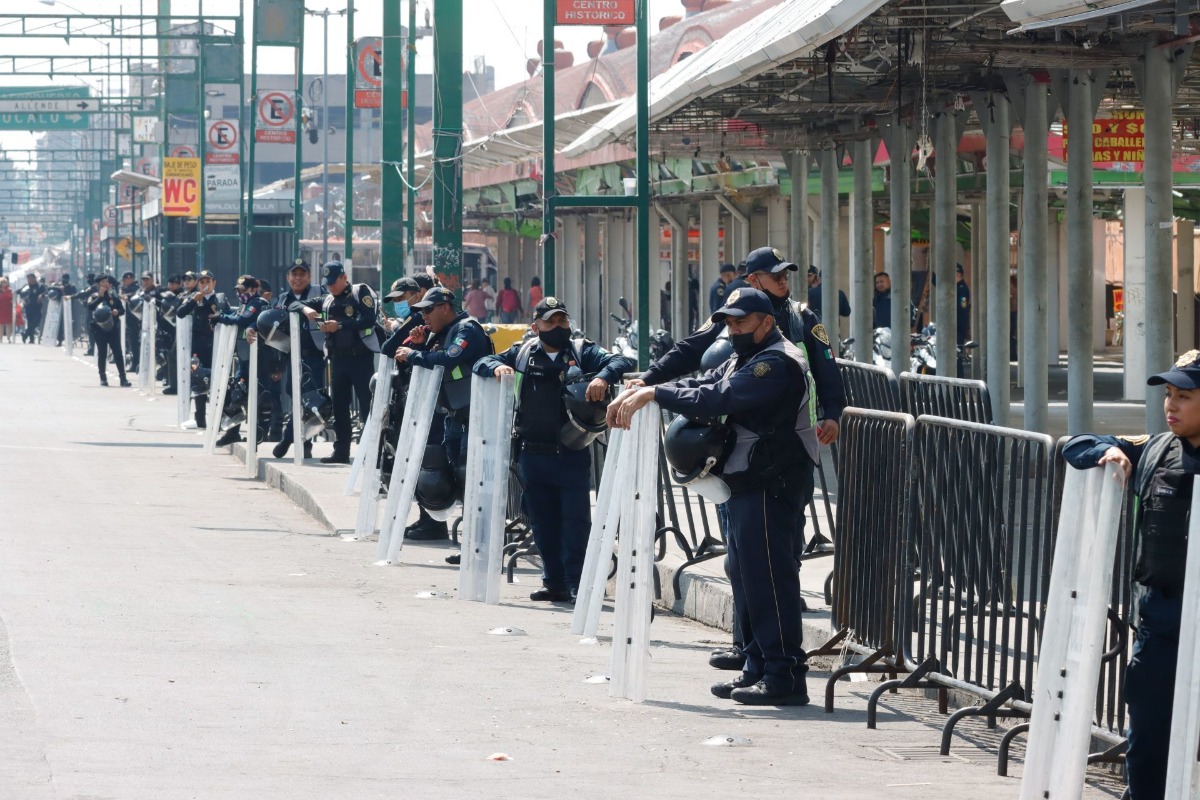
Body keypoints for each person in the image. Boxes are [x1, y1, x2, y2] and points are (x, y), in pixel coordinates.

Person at [634, 246, 846, 673]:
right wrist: (650, 380)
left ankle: (778, 665)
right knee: (742, 561)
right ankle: (751, 653)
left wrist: (832, 414)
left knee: (772, 564)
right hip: (737, 465)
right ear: (753, 280)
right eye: (774, 275)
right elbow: (694, 355)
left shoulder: (793, 327)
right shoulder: (737, 321)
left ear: (764, 321)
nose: (784, 280)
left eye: (786, 274)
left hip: (774, 466)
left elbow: (825, 367)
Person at [609, 288, 815, 705]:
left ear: (766, 323)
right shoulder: (747, 356)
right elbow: (706, 381)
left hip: (771, 481)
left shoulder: (776, 361)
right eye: (730, 323)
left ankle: (785, 677)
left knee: (770, 580)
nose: (733, 329)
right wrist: (652, 383)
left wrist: (654, 394)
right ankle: (757, 666)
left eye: (742, 322)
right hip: (748, 479)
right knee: (747, 575)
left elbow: (719, 397)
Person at [1063, 349, 1200, 800]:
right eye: (1169, 395)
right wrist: (1111, 452)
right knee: (1147, 747)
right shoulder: (1159, 448)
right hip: (1162, 622)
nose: (1171, 406)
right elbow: (1076, 445)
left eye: (1184, 396)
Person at [476, 296, 633, 602]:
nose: (559, 326)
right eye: (551, 321)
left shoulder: (581, 351)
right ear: (536, 327)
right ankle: (555, 583)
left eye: (562, 320)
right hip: (532, 454)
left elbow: (622, 361)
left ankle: (580, 584)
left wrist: (603, 376)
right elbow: (483, 361)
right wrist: (497, 368)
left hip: (570, 454)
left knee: (575, 524)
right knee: (542, 524)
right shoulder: (522, 354)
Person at [393, 286, 494, 540]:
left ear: (445, 308)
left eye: (428, 310)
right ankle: (467, 539)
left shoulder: (466, 329)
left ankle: (477, 541)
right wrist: (420, 347)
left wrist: (415, 354)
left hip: (476, 417)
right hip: (455, 416)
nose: (423, 317)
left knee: (472, 479)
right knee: (459, 480)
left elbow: (449, 359)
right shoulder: (444, 332)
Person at [297, 262, 379, 465]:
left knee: (367, 405)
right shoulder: (327, 300)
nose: (330, 288)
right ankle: (341, 451)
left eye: (334, 283)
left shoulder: (361, 292)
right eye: (327, 284)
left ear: (344, 277)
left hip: (360, 358)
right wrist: (306, 309)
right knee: (340, 407)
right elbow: (293, 304)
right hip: (338, 359)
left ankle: (373, 452)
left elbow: (369, 319)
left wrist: (340, 325)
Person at [271, 259, 328, 460]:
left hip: (315, 357)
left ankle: (296, 440)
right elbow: (274, 331)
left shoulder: (321, 293)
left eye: (302, 274)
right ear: (288, 278)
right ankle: (296, 438)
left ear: (309, 276)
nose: (298, 278)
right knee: (296, 398)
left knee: (310, 400)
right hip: (291, 357)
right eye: (294, 274)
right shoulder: (281, 300)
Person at [213, 276, 271, 448]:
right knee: (236, 395)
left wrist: (221, 317)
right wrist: (221, 315)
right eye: (238, 290)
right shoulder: (246, 305)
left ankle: (260, 434)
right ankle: (232, 433)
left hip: (260, 358)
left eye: (243, 290)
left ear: (253, 289)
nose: (240, 294)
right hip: (245, 359)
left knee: (260, 399)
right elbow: (235, 314)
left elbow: (242, 320)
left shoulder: (258, 303)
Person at [176, 270, 231, 429]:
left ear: (214, 283)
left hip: (215, 344)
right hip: (198, 346)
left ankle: (219, 418)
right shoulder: (193, 298)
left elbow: (226, 313)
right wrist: (194, 301)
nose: (205, 285)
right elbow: (180, 313)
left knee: (218, 380)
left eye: (208, 281)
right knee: (199, 380)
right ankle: (200, 417)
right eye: (201, 282)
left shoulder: (219, 298)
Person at [86, 274, 132, 387]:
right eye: (103, 282)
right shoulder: (94, 296)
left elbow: (122, 310)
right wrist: (100, 297)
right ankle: (103, 377)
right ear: (98, 285)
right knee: (102, 353)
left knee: (118, 353)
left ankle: (123, 378)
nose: (106, 284)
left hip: (112, 329)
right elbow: (90, 307)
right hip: (99, 329)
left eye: (107, 281)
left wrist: (117, 311)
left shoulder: (113, 296)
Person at [18, 273, 45, 344]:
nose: (29, 280)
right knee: (30, 323)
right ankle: (31, 339)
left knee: (36, 322)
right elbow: (19, 291)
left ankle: (26, 333)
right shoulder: (26, 286)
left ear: (34, 278)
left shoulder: (40, 286)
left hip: (37, 307)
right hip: (28, 307)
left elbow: (46, 291)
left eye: (30, 279)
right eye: (28, 279)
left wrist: (41, 295)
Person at [957, 264, 972, 346]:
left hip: (959, 323)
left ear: (958, 274)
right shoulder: (958, 286)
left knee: (958, 347)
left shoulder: (962, 288)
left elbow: (963, 307)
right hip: (957, 323)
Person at [0, 278, 13, 343]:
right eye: (3, 282)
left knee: (8, 324)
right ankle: (0, 338)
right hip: (1, 308)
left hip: (8, 308)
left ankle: (8, 338)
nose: (4, 283)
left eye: (5, 282)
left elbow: (11, 297)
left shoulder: (9, 290)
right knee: (1, 324)